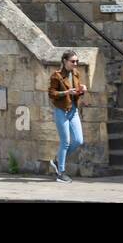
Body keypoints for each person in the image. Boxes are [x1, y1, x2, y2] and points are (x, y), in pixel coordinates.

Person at [47, 50, 86, 182]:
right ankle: (61, 173)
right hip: (61, 111)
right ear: (65, 61)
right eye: (73, 61)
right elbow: (51, 93)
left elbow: (75, 93)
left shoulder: (76, 73)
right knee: (65, 142)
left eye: (77, 61)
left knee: (78, 140)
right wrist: (66, 92)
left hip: (73, 110)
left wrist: (81, 90)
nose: (75, 63)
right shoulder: (56, 76)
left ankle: (58, 161)